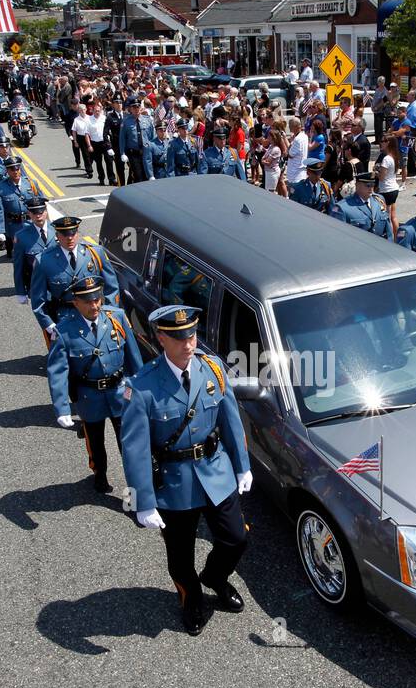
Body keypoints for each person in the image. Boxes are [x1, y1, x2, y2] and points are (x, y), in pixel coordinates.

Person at [119, 305, 251, 637]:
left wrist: (242, 466)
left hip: (215, 470)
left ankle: (216, 577)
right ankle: (190, 596)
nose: (188, 344)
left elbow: (230, 421)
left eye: (191, 335)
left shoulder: (213, 369)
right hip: (173, 482)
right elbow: (134, 448)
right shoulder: (141, 386)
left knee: (236, 538)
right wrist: (143, 501)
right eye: (177, 338)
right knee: (180, 556)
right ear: (161, 338)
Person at [46, 276, 142, 493]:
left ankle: (136, 486)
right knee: (96, 442)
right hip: (90, 396)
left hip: (120, 392)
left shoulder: (116, 317)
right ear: (76, 302)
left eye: (97, 299)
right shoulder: (64, 331)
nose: (95, 305)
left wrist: (142, 391)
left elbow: (133, 358)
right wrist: (62, 408)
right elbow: (58, 372)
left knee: (128, 443)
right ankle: (100, 472)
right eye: (88, 301)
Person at [31, 216, 118, 339]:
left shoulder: (95, 253)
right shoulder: (44, 260)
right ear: (57, 235)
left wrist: (111, 311)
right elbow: (38, 299)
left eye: (73, 233)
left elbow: (112, 286)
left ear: (77, 233)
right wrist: (48, 324)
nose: (69, 238)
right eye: (64, 235)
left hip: (95, 312)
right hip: (65, 316)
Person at [0, 157, 40, 263]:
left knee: (35, 251)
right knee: (20, 255)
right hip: (14, 226)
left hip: (31, 223)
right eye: (12, 170)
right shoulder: (1, 187)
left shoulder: (31, 184)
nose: (15, 172)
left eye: (17, 169)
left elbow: (41, 204)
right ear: (7, 171)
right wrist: (0, 231)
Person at [12, 196, 51, 311]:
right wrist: (20, 291)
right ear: (29, 213)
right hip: (37, 288)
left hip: (60, 287)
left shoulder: (57, 231)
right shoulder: (21, 236)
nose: (38, 216)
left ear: (45, 212)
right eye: (34, 213)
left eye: (40, 212)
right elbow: (18, 266)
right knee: (48, 325)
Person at [331, 171, 392, 240]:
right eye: (368, 185)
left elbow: (388, 233)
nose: (371, 188)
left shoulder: (379, 200)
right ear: (357, 185)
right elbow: (338, 237)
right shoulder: (342, 208)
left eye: (373, 184)